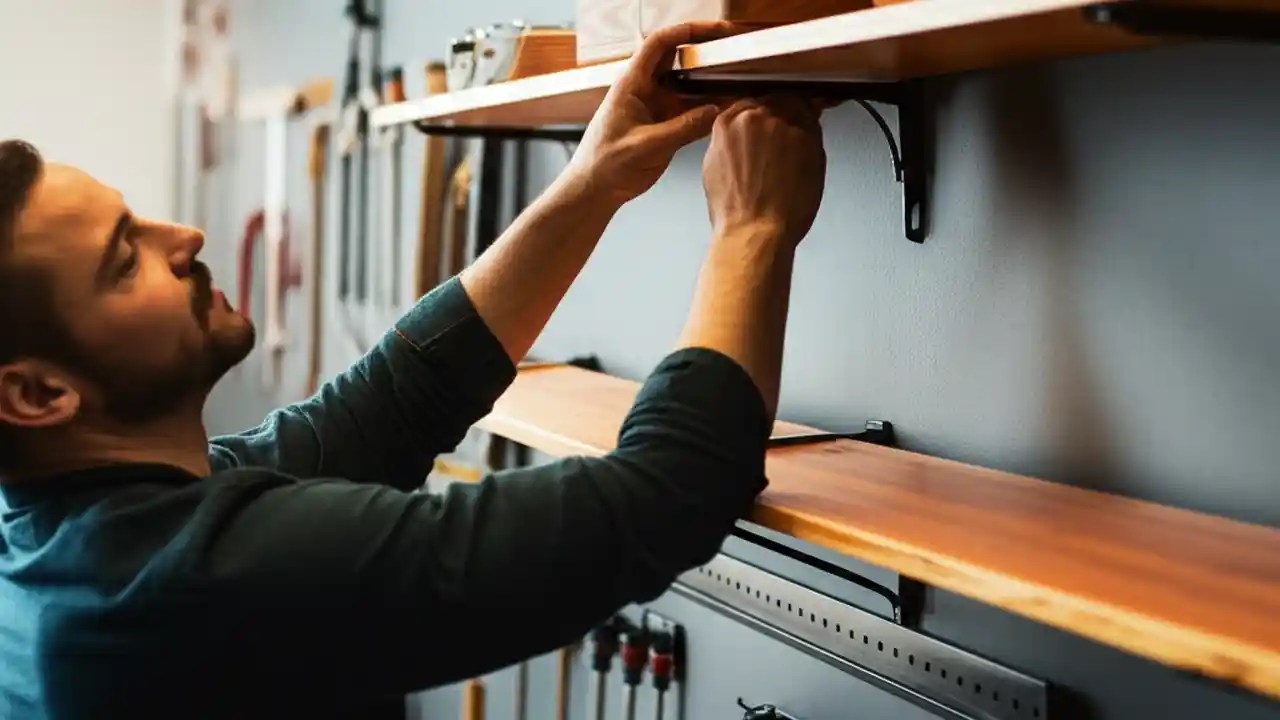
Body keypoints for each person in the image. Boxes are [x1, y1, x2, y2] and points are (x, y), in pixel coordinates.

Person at [0, 22, 826, 720]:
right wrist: (751, 231)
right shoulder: (195, 581)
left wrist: (592, 180)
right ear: (39, 394)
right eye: (124, 259)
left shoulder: (78, 532)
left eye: (137, 216)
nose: (182, 237)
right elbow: (670, 494)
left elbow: (398, 398)